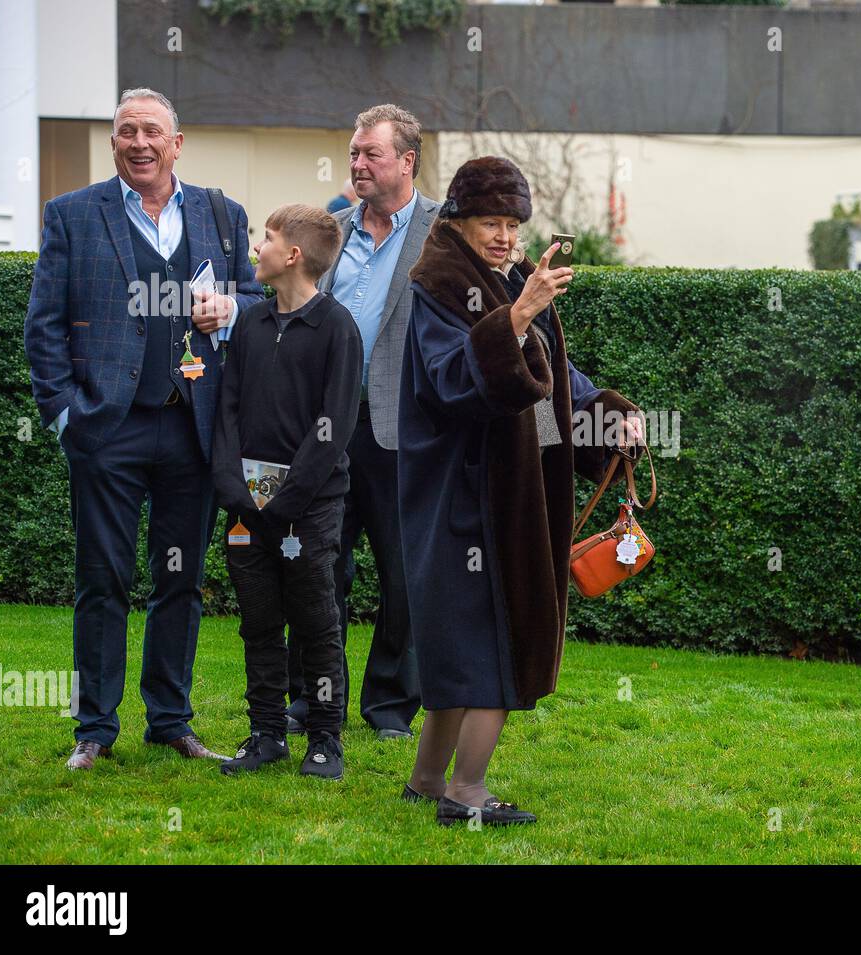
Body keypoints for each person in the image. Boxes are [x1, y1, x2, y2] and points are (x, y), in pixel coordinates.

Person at [397, 157, 644, 826]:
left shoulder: (501, 278)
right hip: (466, 500)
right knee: (495, 648)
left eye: (511, 223)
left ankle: (425, 780)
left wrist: (606, 413)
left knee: (467, 647)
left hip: (506, 494)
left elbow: (553, 373)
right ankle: (466, 792)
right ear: (457, 220)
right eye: (490, 222)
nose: (504, 235)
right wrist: (519, 312)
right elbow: (450, 379)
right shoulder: (439, 284)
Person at [24, 87, 263, 771]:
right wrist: (68, 416)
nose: (139, 143)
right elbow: (43, 328)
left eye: (152, 131)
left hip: (194, 430)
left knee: (179, 581)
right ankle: (95, 727)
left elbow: (253, 296)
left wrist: (232, 309)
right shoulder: (72, 215)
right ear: (114, 144)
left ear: (176, 143)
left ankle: (170, 719)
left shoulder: (221, 213)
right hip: (109, 430)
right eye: (126, 131)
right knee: (101, 580)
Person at [286, 105, 441, 741]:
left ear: (405, 162)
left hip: (403, 431)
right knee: (317, 567)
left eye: (370, 154)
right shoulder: (333, 231)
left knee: (404, 577)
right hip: (323, 429)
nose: (357, 164)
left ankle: (388, 708)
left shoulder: (443, 232)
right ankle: (310, 699)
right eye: (353, 153)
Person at [214, 204, 363, 779]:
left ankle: (325, 738)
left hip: (310, 510)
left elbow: (334, 425)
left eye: (267, 238)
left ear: (293, 256)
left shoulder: (336, 329)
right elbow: (227, 407)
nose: (258, 248)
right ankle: (266, 734)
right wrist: (233, 486)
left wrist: (289, 498)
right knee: (257, 621)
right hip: (245, 508)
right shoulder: (250, 324)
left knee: (315, 622)